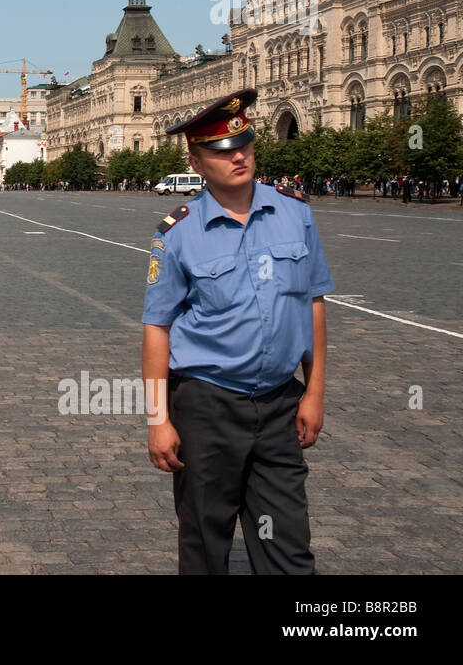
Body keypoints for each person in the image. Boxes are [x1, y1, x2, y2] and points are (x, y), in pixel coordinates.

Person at [141, 88, 334, 574]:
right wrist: (158, 419)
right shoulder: (177, 232)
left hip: (279, 405)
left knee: (288, 548)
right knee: (206, 546)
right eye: (222, 151)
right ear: (197, 160)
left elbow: (313, 305)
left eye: (244, 144)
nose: (238, 156)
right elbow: (157, 329)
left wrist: (313, 392)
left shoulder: (295, 213)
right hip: (207, 407)